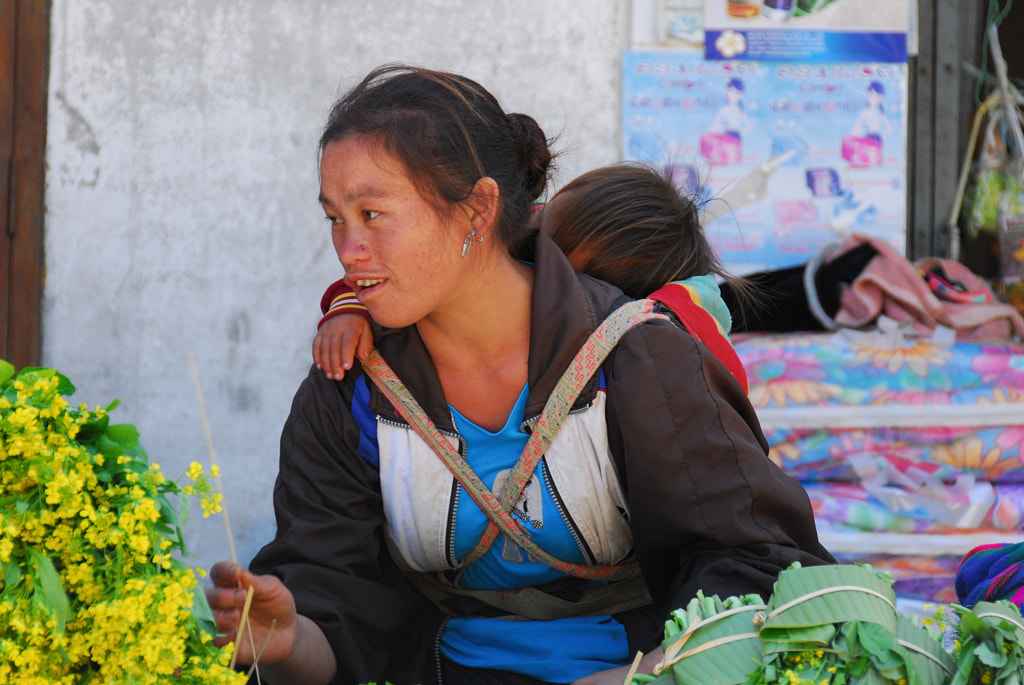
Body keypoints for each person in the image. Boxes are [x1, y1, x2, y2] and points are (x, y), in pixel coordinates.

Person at [205, 64, 834, 685]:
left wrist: (634, 678)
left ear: (477, 209)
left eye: (372, 213)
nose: (347, 250)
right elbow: (332, 602)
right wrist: (287, 643)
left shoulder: (636, 358)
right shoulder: (348, 388)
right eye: (334, 217)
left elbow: (754, 565)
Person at [313, 162, 750, 392]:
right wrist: (349, 306)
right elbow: (411, 275)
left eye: (542, 245)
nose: (525, 233)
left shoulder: (633, 367)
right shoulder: (525, 234)